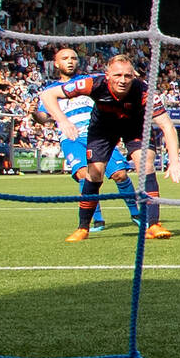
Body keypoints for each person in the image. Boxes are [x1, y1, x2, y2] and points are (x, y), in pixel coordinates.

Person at [40, 54, 180, 242]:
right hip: (102, 129)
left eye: (127, 76)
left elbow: (167, 126)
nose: (123, 80)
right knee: (94, 173)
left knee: (146, 165)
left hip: (135, 127)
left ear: (134, 76)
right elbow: (47, 94)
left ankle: (153, 224)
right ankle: (83, 227)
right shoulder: (93, 84)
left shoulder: (145, 93)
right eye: (117, 75)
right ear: (107, 75)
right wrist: (63, 120)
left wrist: (174, 161)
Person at [34, 47, 142, 233]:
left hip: (100, 134)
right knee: (85, 175)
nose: (70, 61)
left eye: (74, 58)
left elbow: (123, 78)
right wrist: (35, 116)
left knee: (120, 174)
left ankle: (136, 214)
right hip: (72, 138)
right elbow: (43, 117)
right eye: (65, 58)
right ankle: (97, 219)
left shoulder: (91, 81)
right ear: (56, 63)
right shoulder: (51, 90)